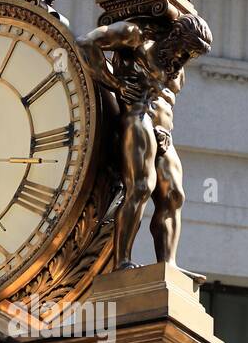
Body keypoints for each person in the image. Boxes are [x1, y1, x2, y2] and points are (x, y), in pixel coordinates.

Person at [76, 13, 212, 269]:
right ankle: (122, 261)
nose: (183, 61)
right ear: (174, 36)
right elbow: (85, 43)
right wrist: (115, 83)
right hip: (138, 114)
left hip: (163, 132)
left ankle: (168, 265)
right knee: (140, 187)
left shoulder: (178, 71)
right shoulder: (136, 37)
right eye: (183, 52)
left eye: (190, 57)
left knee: (174, 195)